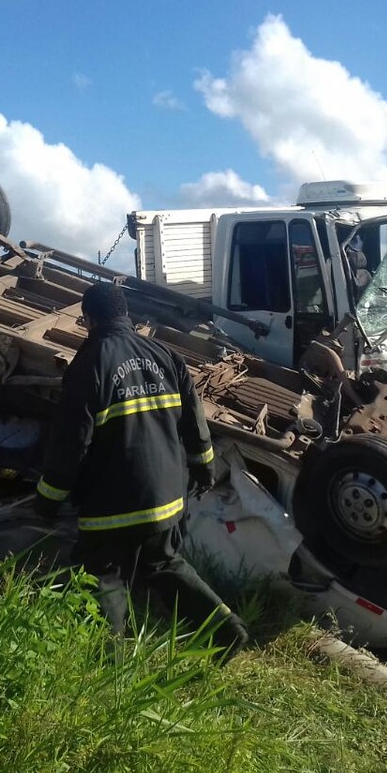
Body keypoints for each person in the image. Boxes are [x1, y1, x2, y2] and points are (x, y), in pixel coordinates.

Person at [35, 282, 249, 658]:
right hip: (168, 499)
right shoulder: (165, 356)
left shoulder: (88, 365)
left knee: (103, 575)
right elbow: (195, 424)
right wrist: (204, 470)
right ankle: (227, 631)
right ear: (126, 314)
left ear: (88, 320)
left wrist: (48, 498)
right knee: (163, 563)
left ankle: (111, 667)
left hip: (114, 504)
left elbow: (72, 443)